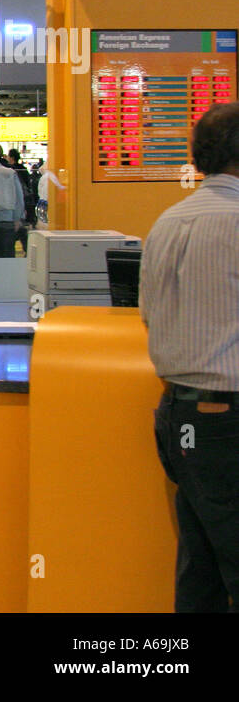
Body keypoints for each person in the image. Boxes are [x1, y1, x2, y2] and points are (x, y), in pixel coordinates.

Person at [141, 102, 239, 612]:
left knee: (200, 566)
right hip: (226, 416)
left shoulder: (168, 222)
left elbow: (149, 316)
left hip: (179, 413)